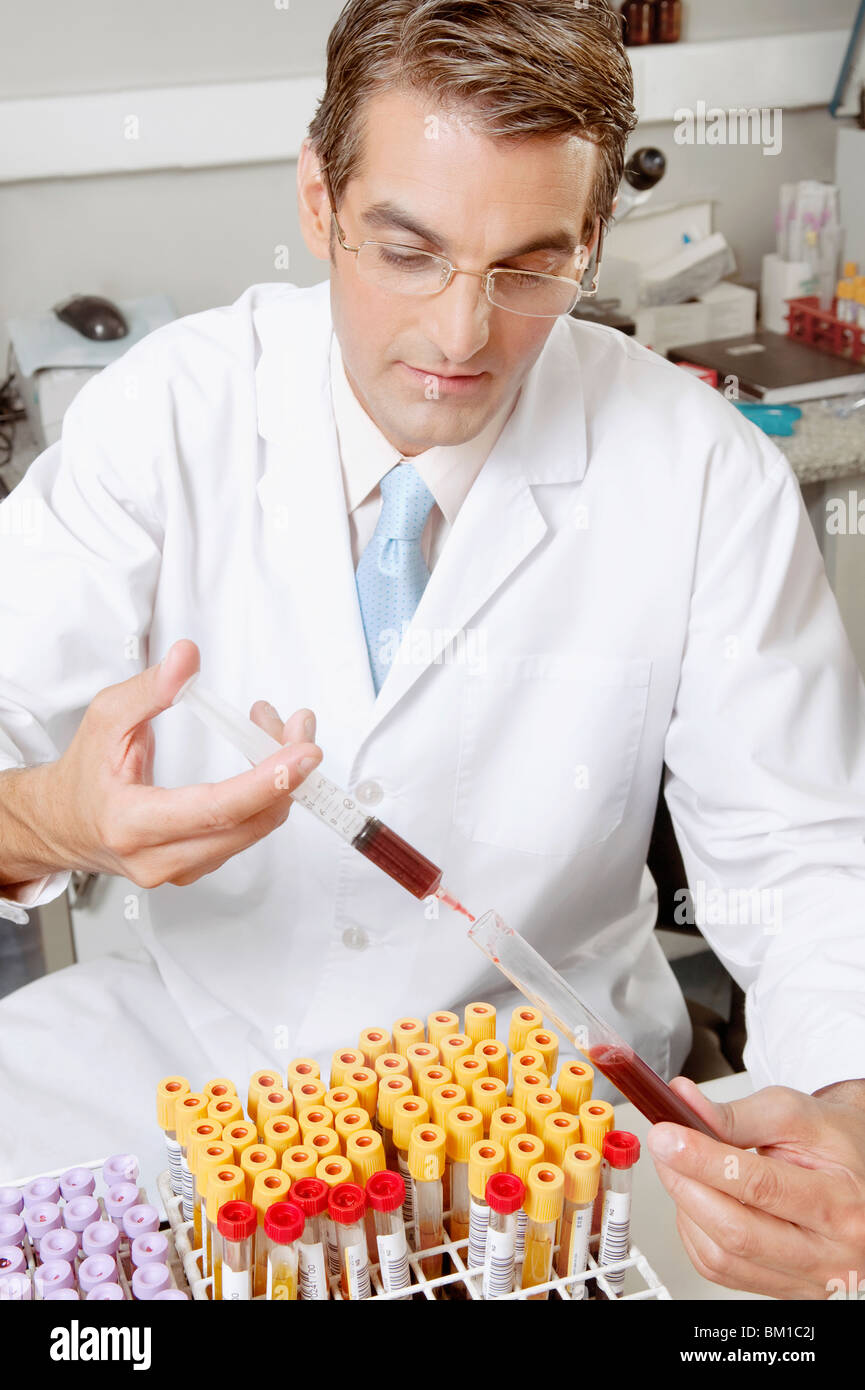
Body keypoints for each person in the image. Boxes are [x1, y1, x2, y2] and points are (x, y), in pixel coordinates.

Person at [0, 0, 863, 1298]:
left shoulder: (698, 472)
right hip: (195, 1077)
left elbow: (803, 859)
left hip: (546, 1120)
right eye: (406, 251)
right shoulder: (163, 418)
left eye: (528, 266)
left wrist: (847, 1115)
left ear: (591, 237)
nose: (461, 337)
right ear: (316, 198)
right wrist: (54, 822)